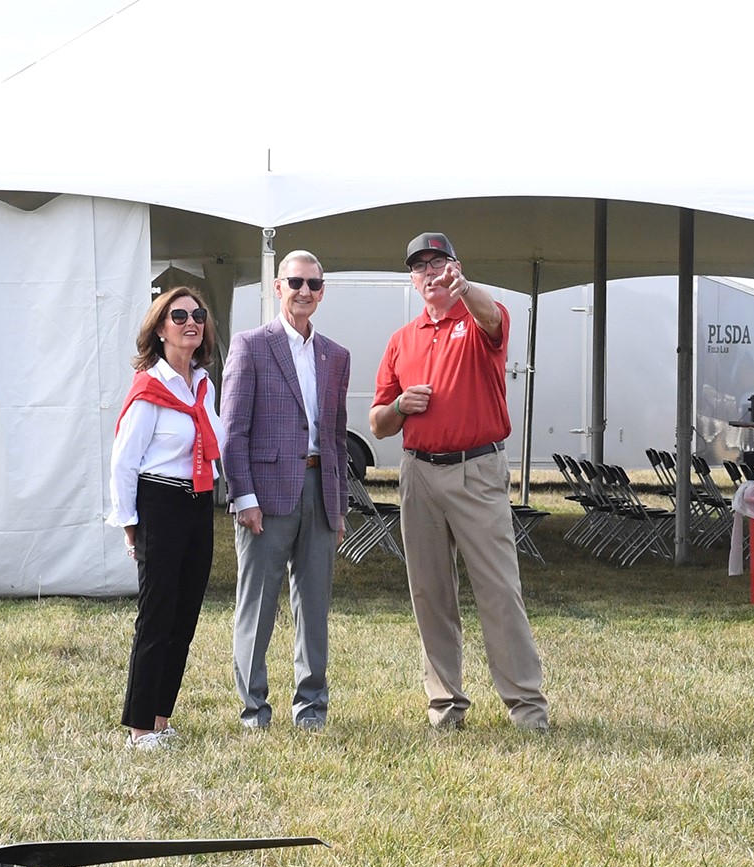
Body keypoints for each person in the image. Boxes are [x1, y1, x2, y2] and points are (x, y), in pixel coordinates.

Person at [370, 232, 548, 731]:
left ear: (456, 268)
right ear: (412, 278)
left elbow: (494, 319)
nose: (431, 272)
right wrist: (400, 407)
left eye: (439, 262)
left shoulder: (478, 319)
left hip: (476, 471)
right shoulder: (401, 340)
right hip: (418, 474)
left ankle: (527, 708)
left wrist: (466, 287)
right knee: (429, 593)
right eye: (420, 266)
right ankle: (445, 706)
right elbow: (377, 423)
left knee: (497, 588)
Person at [222, 251, 352, 730]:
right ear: (278, 288)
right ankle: (254, 709)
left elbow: (336, 437)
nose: (304, 291)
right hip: (266, 496)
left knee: (314, 606)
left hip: (319, 491)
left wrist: (337, 506)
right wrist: (245, 497)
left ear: (322, 292)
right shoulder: (251, 346)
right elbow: (233, 432)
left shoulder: (336, 356)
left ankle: (311, 708)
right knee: (257, 604)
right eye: (295, 282)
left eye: (313, 284)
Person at [109, 285, 225, 748]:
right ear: (159, 329)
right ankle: (138, 727)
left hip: (198, 502)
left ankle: (161, 717)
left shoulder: (202, 384)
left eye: (198, 314)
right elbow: (123, 462)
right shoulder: (150, 389)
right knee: (156, 617)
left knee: (185, 616)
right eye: (178, 316)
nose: (191, 322)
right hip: (159, 502)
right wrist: (130, 522)